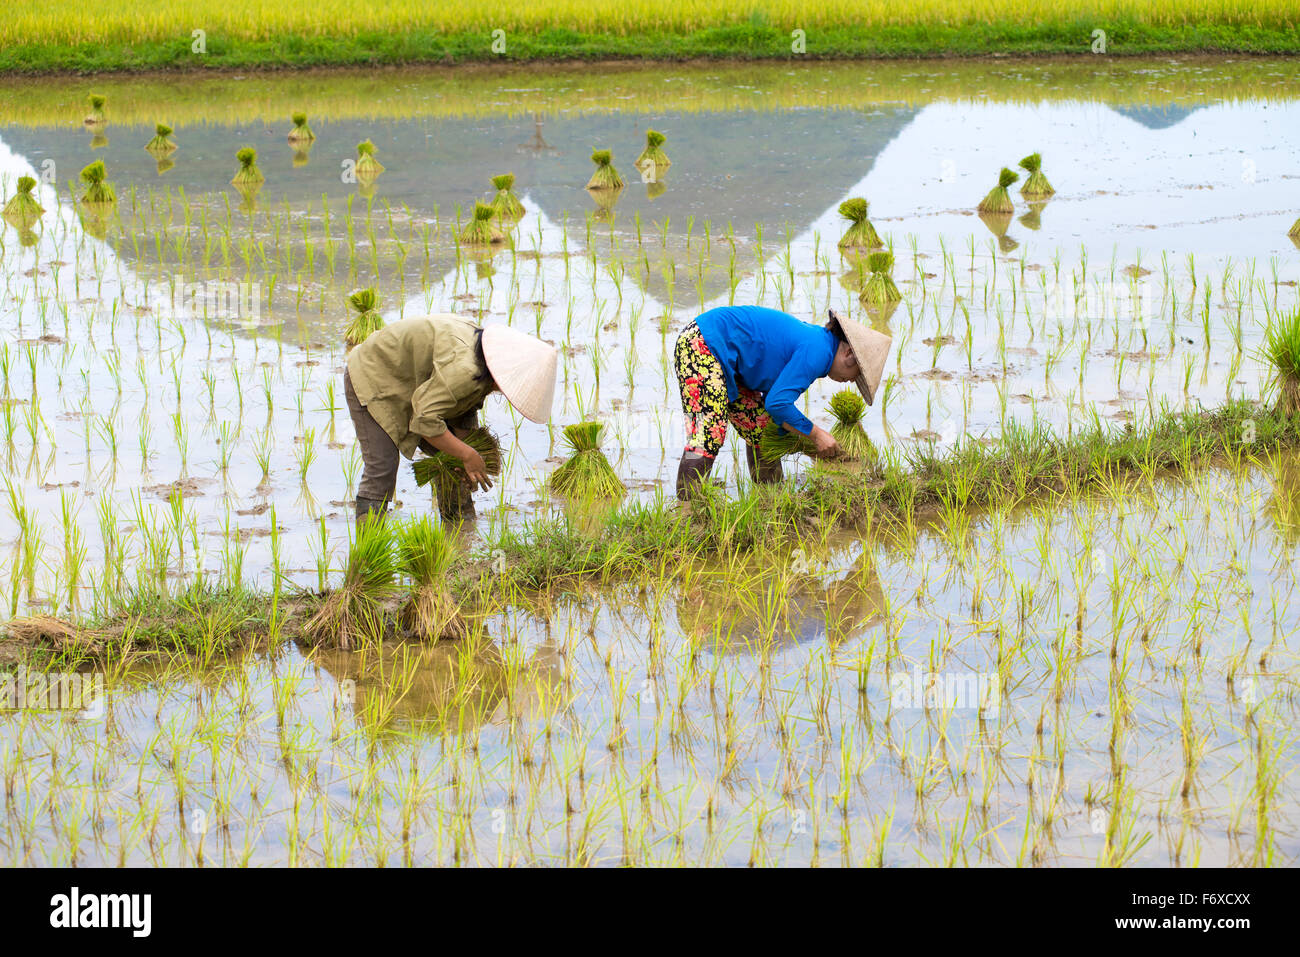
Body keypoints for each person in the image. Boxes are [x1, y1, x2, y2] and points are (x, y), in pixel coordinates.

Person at [344, 314, 557, 522]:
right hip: (374, 375)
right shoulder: (465, 370)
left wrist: (465, 449)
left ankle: (458, 529)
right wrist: (468, 454)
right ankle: (368, 549)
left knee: (453, 458)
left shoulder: (483, 362)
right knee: (383, 465)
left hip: (416, 387)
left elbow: (462, 408)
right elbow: (425, 421)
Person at [673, 305, 890, 498]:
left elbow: (773, 402)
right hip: (704, 344)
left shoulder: (819, 345)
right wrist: (816, 435)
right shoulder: (819, 351)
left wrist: (799, 440)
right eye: (856, 373)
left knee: (761, 430)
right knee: (708, 432)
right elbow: (777, 403)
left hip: (728, 359)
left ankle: (772, 499)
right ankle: (688, 512)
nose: (851, 380)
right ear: (849, 353)